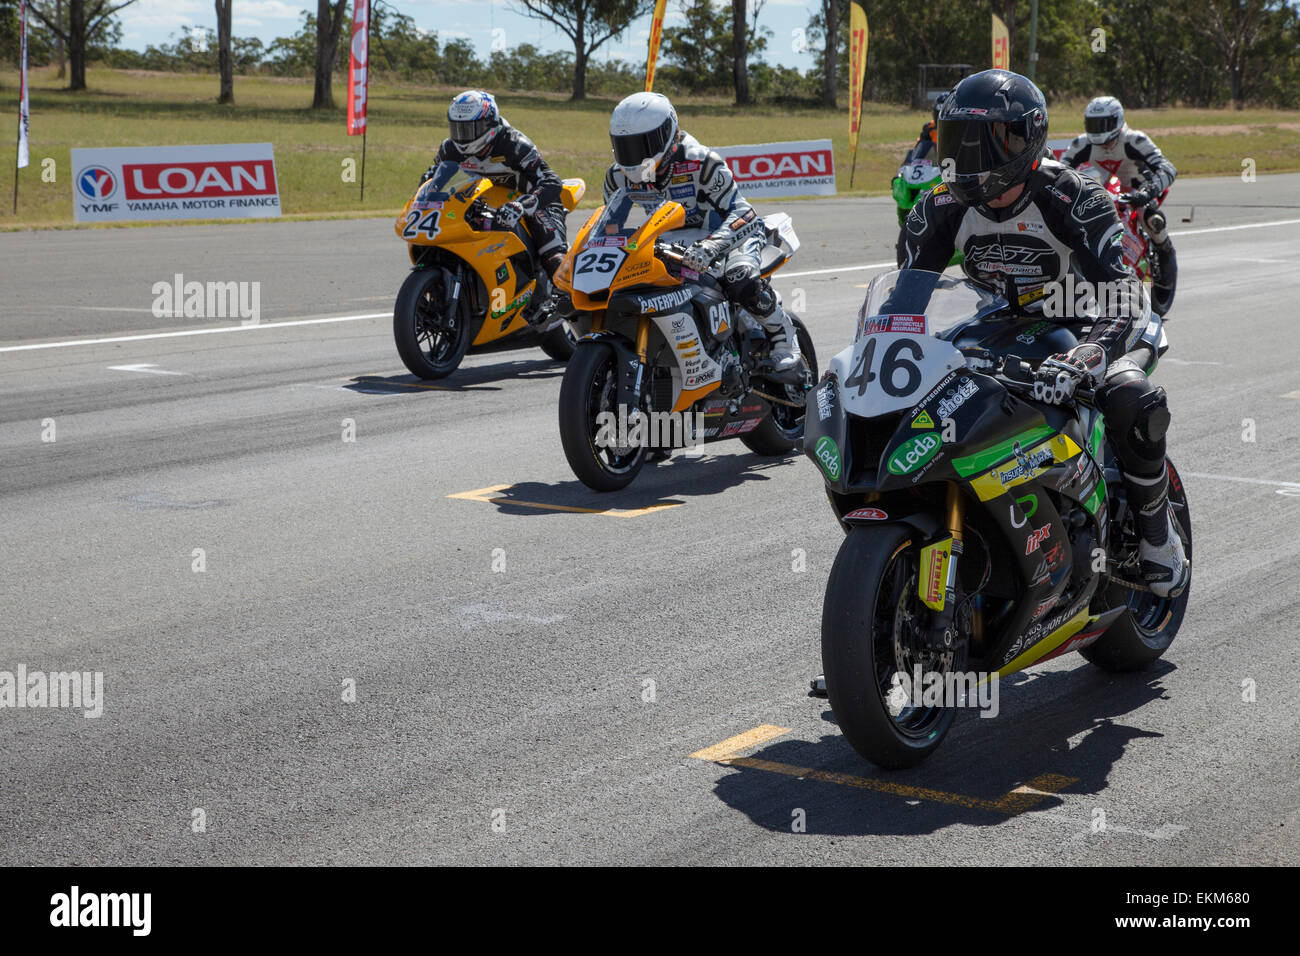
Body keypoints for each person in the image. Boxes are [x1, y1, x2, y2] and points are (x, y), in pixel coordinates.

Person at [897, 69, 1189, 599]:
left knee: (1129, 396)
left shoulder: (1074, 196)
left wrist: (1090, 354)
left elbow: (1123, 295)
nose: (966, 160)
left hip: (1093, 319)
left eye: (984, 144)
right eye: (956, 142)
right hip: (1002, 324)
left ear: (1024, 138)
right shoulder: (938, 207)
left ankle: (1156, 538)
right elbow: (903, 304)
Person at [602, 91, 799, 372]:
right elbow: (610, 228)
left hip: (729, 234)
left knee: (739, 275)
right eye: (625, 146)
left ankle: (782, 336)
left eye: (642, 145)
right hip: (671, 243)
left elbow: (744, 212)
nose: (633, 155)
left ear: (667, 134)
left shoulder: (701, 162)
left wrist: (711, 246)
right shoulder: (616, 177)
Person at [417, 90, 568, 322]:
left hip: (531, 201)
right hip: (487, 203)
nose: (462, 136)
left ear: (489, 124)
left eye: (468, 129)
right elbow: (431, 179)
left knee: (549, 246)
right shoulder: (450, 148)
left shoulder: (514, 144)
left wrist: (522, 205)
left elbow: (550, 181)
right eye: (457, 128)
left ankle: (566, 298)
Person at [1059, 95, 1178, 313]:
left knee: (1153, 221)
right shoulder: (1081, 143)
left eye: (1103, 124)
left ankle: (1165, 264)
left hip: (1137, 192)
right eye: (1093, 124)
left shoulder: (1135, 140)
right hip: (1103, 194)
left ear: (1117, 121)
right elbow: (1058, 172)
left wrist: (1146, 192)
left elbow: (1167, 168)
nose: (1098, 130)